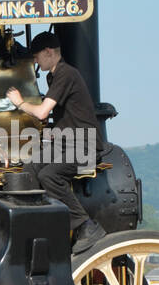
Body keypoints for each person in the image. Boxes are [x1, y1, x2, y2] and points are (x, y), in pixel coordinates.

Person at [6, 30, 105, 254]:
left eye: (37, 57)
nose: (35, 62)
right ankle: (37, 223)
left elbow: (42, 113)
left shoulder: (66, 74)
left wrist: (20, 102)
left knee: (49, 175)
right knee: (29, 169)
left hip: (85, 144)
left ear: (49, 52)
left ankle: (86, 226)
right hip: (67, 142)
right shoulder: (54, 75)